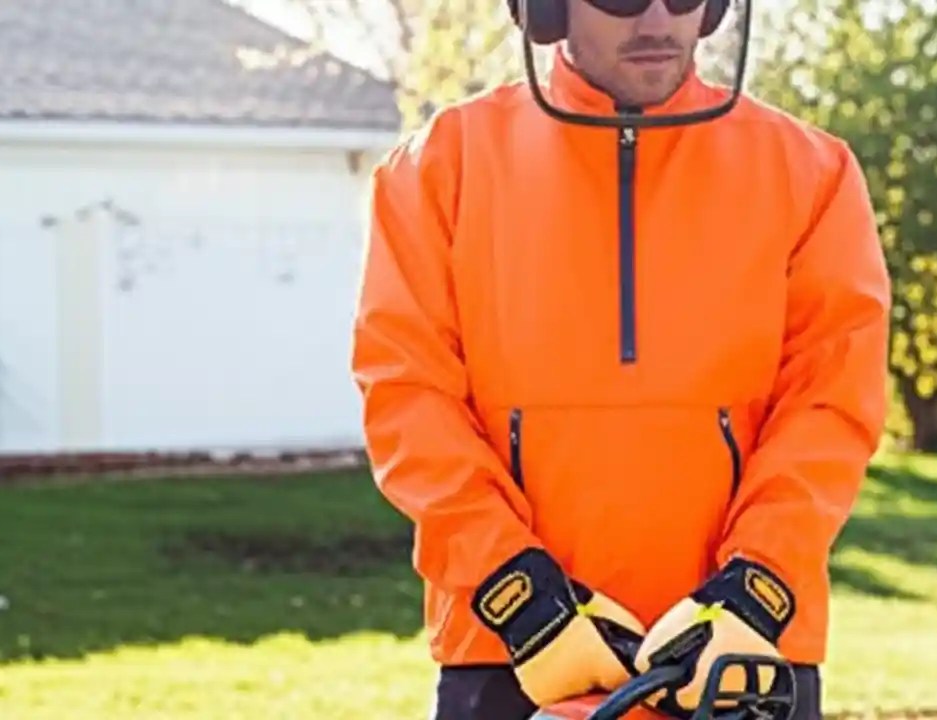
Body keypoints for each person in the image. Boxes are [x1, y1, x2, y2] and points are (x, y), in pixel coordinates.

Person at [349, 0, 892, 718]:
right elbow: (407, 398)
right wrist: (520, 597)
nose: (658, 19)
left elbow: (830, 405)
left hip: (739, 653)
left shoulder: (811, 172)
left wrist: (757, 588)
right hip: (512, 654)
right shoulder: (440, 168)